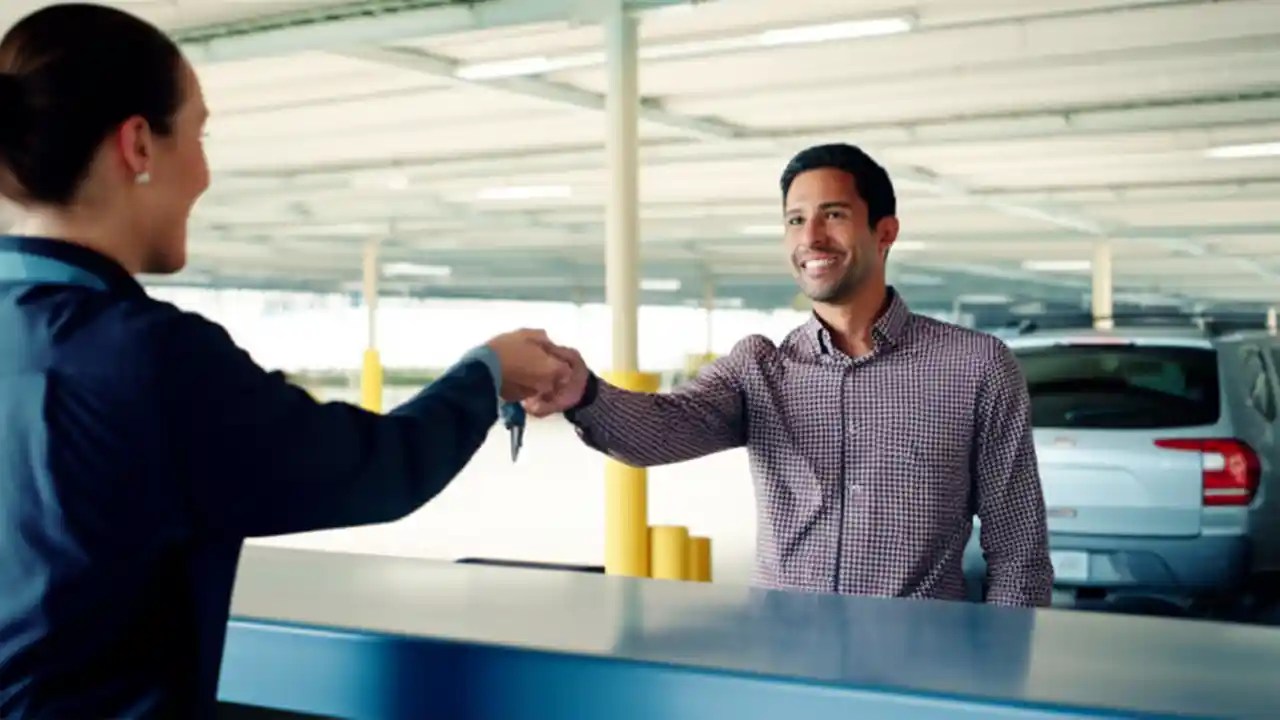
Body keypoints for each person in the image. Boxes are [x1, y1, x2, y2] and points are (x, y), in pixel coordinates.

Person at [0, 4, 569, 718]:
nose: (205, 173)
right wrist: (487, 370)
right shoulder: (146, 358)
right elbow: (375, 471)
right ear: (139, 145)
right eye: (200, 135)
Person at [526, 143, 1055, 608]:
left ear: (885, 232)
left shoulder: (975, 366)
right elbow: (663, 428)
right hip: (783, 657)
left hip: (919, 665)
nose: (812, 237)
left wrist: (998, 670)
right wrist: (585, 393)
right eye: (796, 220)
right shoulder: (760, 369)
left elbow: (1019, 549)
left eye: (834, 215)